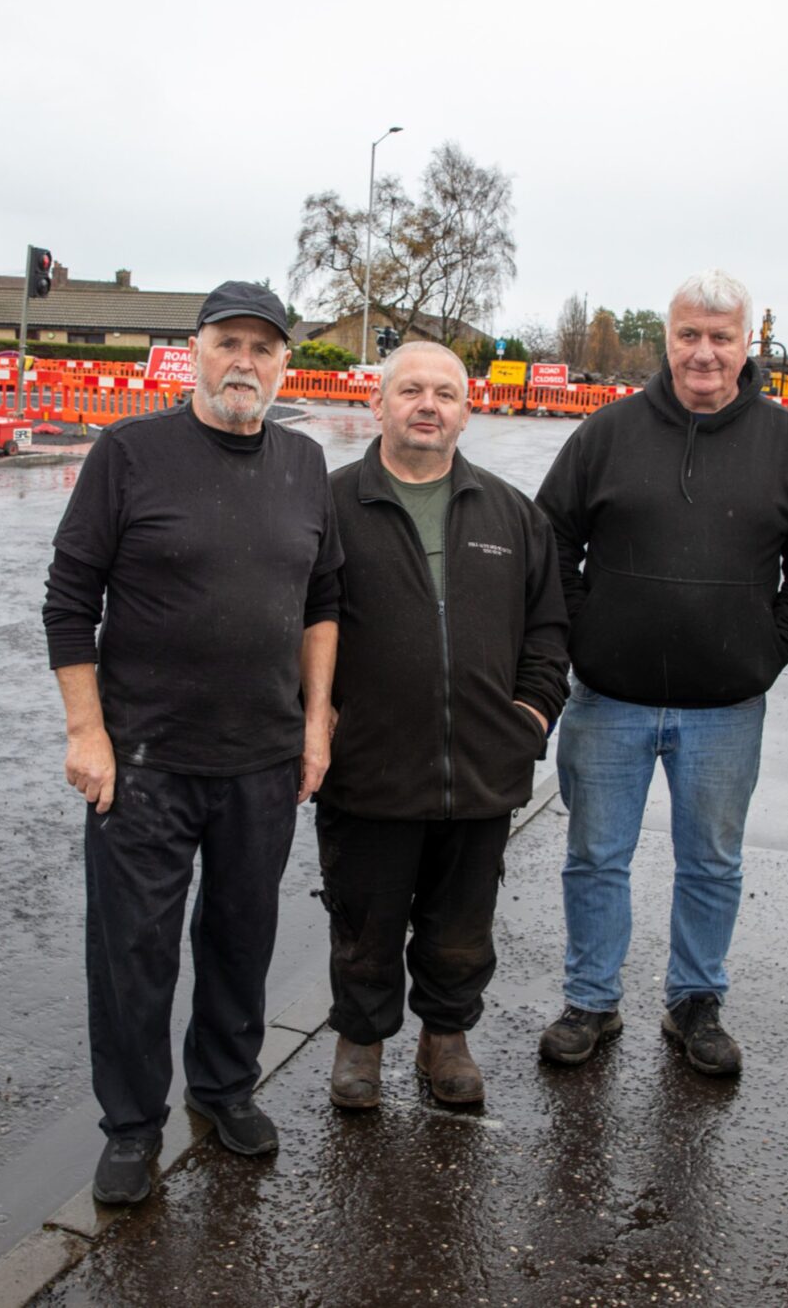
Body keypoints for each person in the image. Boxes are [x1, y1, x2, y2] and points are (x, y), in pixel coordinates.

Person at [40, 281, 342, 1205]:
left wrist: (317, 718)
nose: (244, 361)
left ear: (285, 362)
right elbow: (69, 598)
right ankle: (132, 1128)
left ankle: (224, 1089)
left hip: (260, 758)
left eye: (263, 346)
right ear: (194, 352)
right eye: (228, 343)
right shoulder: (131, 452)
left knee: (241, 938)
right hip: (145, 763)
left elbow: (322, 602)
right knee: (134, 951)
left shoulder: (303, 463)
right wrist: (87, 731)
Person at [534, 269, 788, 1076]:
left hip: (725, 707)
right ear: (666, 339)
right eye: (688, 335)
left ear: (748, 344)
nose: (703, 352)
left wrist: (766, 645)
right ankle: (591, 1000)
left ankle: (695, 1002)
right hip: (609, 698)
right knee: (596, 855)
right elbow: (548, 543)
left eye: (721, 336)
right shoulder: (606, 434)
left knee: (712, 860)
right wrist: (583, 632)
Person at [317, 341, 569, 1110]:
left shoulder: (511, 513)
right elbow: (292, 624)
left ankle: (446, 1035)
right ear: (379, 403)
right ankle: (361, 1039)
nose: (428, 405)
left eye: (446, 393)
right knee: (365, 917)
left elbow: (549, 633)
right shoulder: (328, 507)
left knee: (461, 924)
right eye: (411, 390)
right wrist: (316, 719)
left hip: (481, 769)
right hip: (369, 768)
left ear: (468, 408)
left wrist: (527, 717)